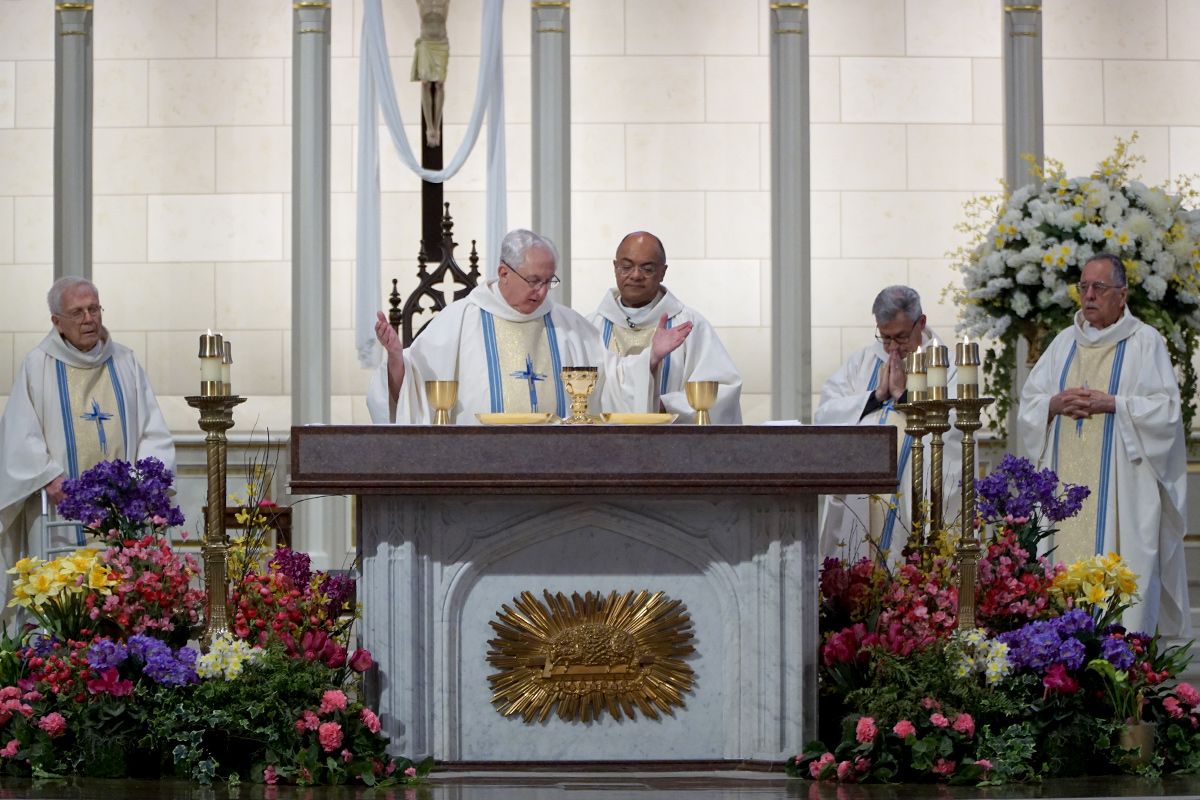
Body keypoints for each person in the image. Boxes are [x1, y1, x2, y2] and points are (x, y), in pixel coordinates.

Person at [1018, 254, 1190, 637]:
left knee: (1122, 580)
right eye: (1084, 287)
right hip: (1063, 490)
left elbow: (1166, 412)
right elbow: (1030, 404)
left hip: (1123, 497)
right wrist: (1053, 405)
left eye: (1099, 288)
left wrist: (1113, 404)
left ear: (1123, 294)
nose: (1089, 295)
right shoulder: (1063, 343)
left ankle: (1123, 668)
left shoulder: (1145, 342)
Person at [367, 229, 693, 424]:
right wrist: (396, 359)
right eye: (533, 280)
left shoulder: (570, 327)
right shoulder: (460, 319)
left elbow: (614, 383)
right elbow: (412, 388)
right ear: (504, 273)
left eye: (548, 281)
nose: (540, 291)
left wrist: (650, 358)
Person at [0, 277, 175, 608]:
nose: (89, 319)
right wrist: (48, 477)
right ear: (57, 322)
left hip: (125, 512)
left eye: (94, 308)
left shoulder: (125, 362)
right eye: (77, 312)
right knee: (65, 605)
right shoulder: (38, 366)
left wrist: (143, 484)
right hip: (60, 511)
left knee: (125, 602)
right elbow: (20, 437)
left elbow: (153, 431)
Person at [814, 286, 960, 568]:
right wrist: (875, 397)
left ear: (922, 323)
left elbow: (955, 428)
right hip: (863, 496)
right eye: (886, 338)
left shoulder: (948, 365)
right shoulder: (861, 362)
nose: (893, 348)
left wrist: (905, 396)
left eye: (902, 337)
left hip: (916, 493)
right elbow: (826, 415)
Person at [587, 232, 742, 424]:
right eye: (627, 267)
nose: (635, 275)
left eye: (647, 269)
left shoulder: (689, 326)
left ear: (663, 272)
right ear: (615, 267)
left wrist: (664, 405)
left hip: (675, 447)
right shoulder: (590, 328)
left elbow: (724, 389)